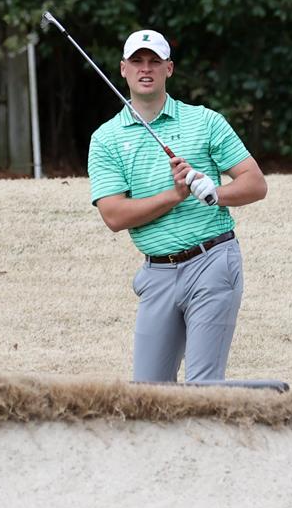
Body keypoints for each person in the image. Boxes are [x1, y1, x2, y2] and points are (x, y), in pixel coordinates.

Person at [87, 27, 267, 382]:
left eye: (155, 61)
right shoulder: (105, 138)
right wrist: (174, 196)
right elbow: (113, 215)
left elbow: (255, 184)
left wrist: (212, 191)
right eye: (137, 61)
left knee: (202, 387)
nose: (145, 68)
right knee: (149, 393)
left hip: (212, 261)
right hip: (156, 274)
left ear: (169, 69)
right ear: (123, 69)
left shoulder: (206, 121)